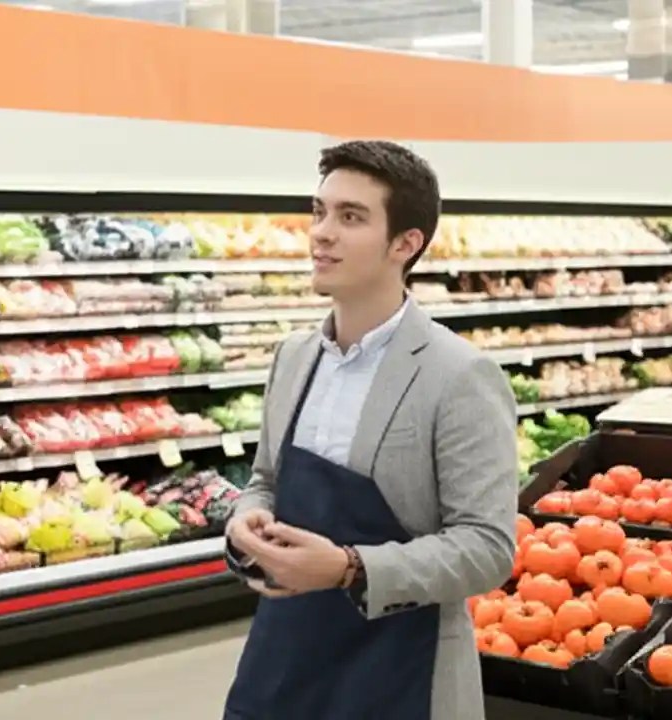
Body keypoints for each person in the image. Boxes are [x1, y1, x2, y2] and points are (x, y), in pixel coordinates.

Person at [221, 141, 517, 720]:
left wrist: (349, 568)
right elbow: (266, 480)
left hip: (400, 666)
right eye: (319, 211)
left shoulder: (458, 374)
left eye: (350, 217)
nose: (322, 233)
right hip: (284, 657)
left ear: (405, 245)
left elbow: (488, 547)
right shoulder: (294, 356)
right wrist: (246, 520)